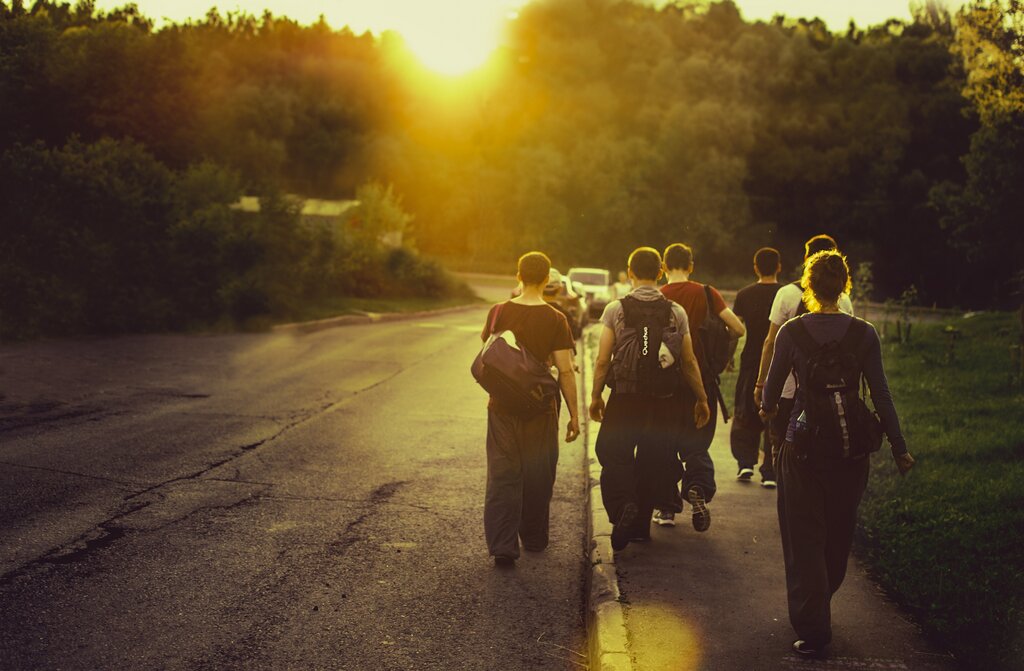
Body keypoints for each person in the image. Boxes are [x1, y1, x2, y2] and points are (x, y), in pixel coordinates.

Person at [759, 250, 915, 658]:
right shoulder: (864, 333)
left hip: (802, 450)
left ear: (807, 286)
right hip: (851, 453)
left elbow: (773, 391)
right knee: (838, 534)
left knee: (803, 538)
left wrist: (767, 410)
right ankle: (822, 597)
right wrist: (899, 448)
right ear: (846, 285)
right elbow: (880, 393)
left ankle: (813, 628)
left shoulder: (791, 332)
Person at [590, 247, 710, 550]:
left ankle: (622, 509)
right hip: (663, 400)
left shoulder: (615, 309)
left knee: (612, 452)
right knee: (651, 461)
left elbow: (603, 360)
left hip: (625, 397)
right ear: (660, 273)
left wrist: (596, 396)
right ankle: (640, 527)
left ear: (630, 272)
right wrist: (702, 399)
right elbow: (689, 361)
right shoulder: (675, 311)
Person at [480, 251, 581, 567]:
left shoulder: (498, 312)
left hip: (501, 407)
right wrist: (575, 415)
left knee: (502, 473)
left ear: (518, 275)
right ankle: (534, 538)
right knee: (539, 473)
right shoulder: (556, 318)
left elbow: (488, 353)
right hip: (541, 408)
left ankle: (503, 546)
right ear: (549, 278)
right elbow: (565, 370)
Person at [652, 243, 744, 530]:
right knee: (696, 442)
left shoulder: (658, 297)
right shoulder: (707, 293)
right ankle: (699, 487)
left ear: (663, 268)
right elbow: (738, 329)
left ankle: (666, 510)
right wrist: (720, 359)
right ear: (691, 266)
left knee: (664, 443)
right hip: (700, 382)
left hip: (664, 383)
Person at [754, 235, 853, 477]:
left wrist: (761, 383)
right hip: (833, 391)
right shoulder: (846, 301)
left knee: (786, 448)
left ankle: (783, 485)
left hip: (790, 389)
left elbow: (770, 343)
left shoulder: (786, 294)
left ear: (807, 259)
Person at [730, 247, 783, 487]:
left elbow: (734, 331)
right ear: (779, 267)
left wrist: (729, 356)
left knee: (745, 410)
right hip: (781, 360)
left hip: (751, 358)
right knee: (775, 411)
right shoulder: (785, 294)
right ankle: (770, 471)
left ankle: (745, 464)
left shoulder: (744, 294)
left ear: (755, 267)